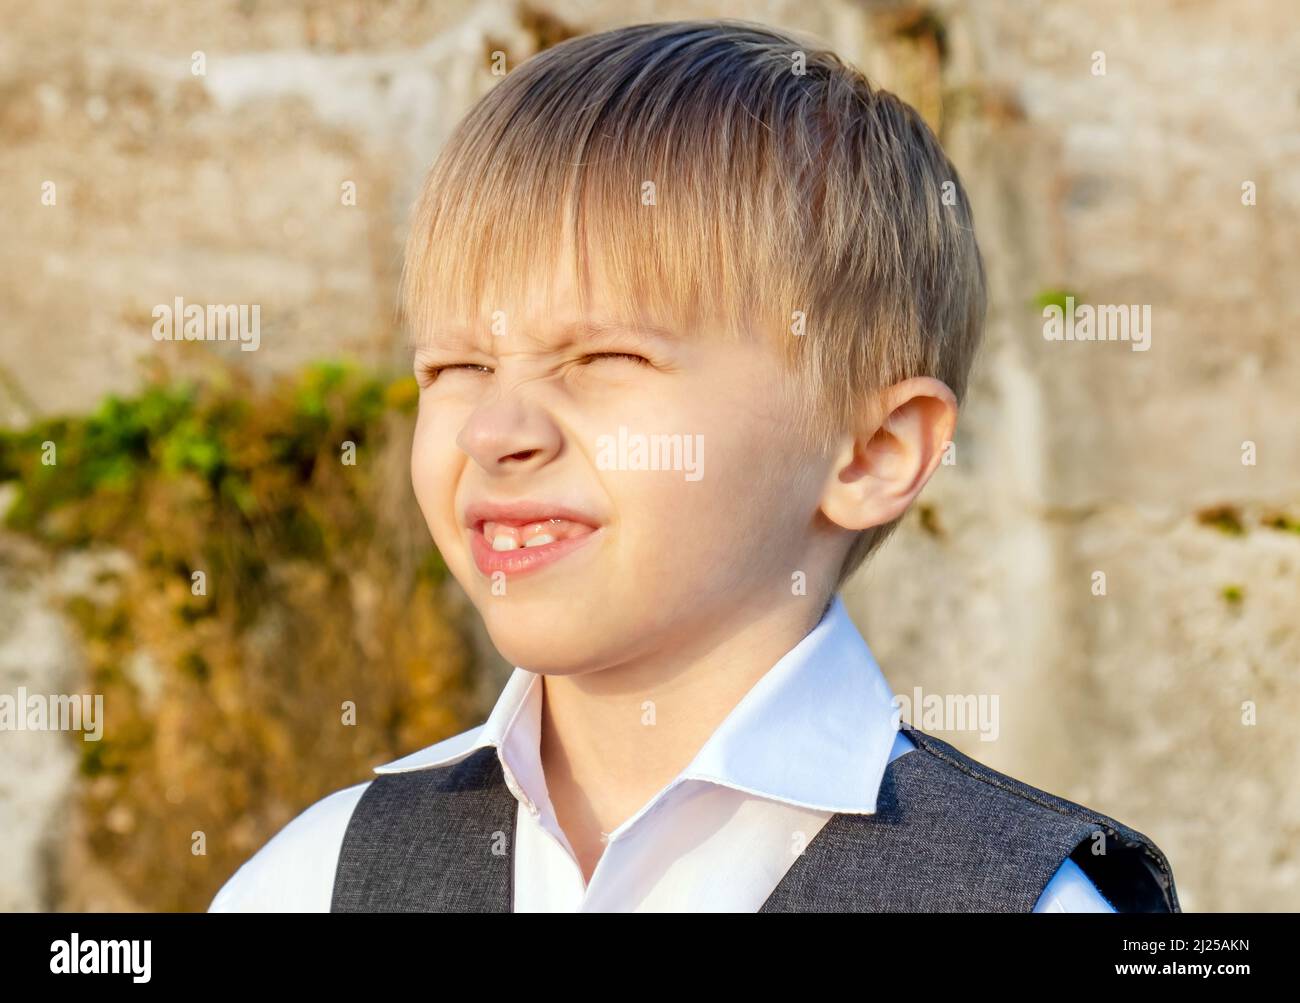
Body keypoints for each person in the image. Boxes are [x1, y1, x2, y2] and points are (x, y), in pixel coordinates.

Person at [209, 18, 1178, 913]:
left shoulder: (1019, 900)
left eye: (605, 356)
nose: (494, 430)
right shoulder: (315, 881)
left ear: (875, 453)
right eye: (456, 367)